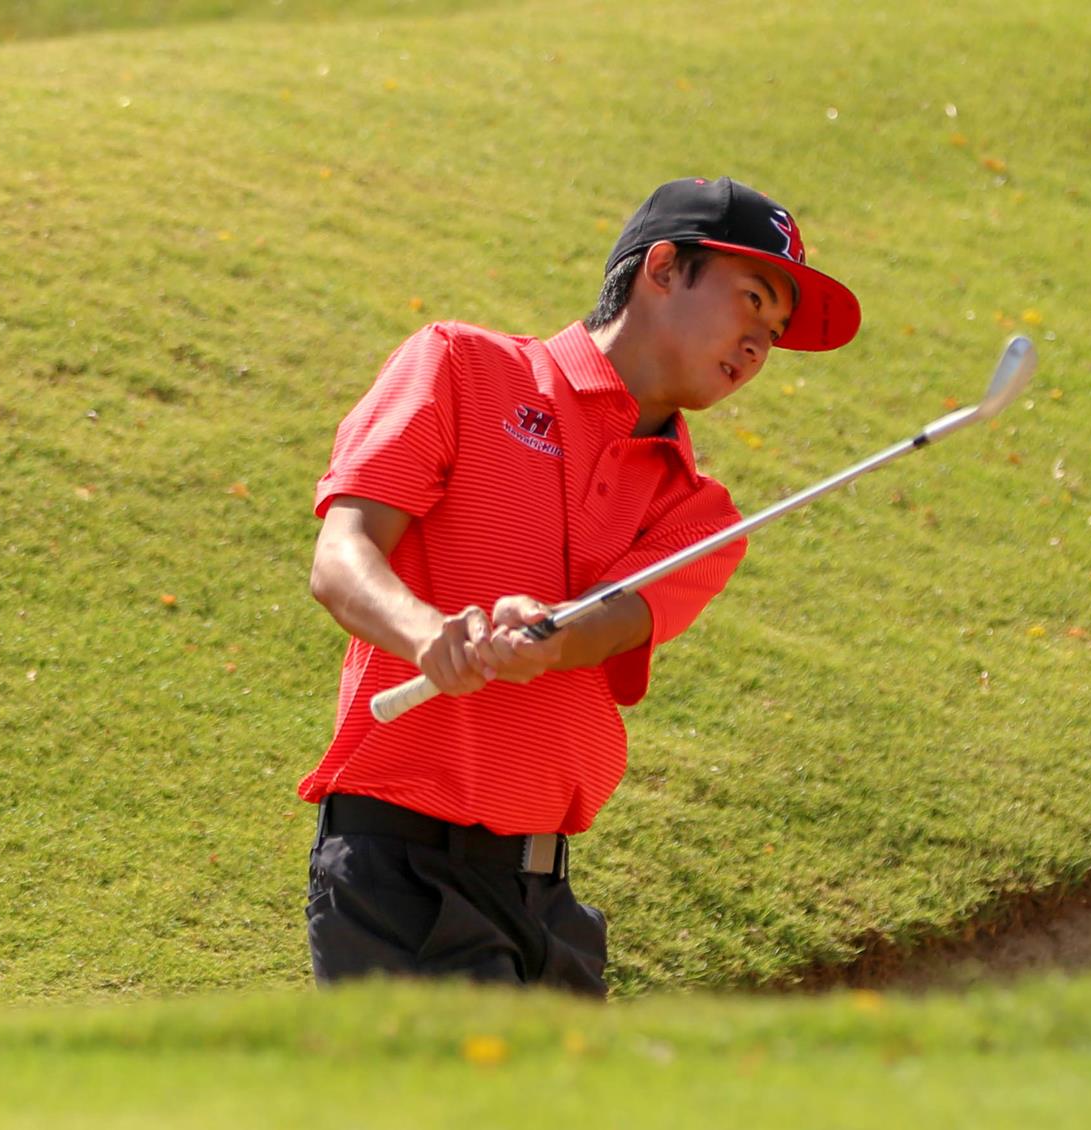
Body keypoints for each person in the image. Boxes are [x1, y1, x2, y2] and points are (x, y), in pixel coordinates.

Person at [299, 177, 861, 996]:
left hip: (546, 905)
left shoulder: (704, 515)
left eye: (773, 335)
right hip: (400, 878)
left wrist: (551, 637)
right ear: (663, 267)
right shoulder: (460, 366)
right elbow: (341, 558)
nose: (756, 348)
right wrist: (429, 635)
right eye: (750, 302)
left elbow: (608, 624)